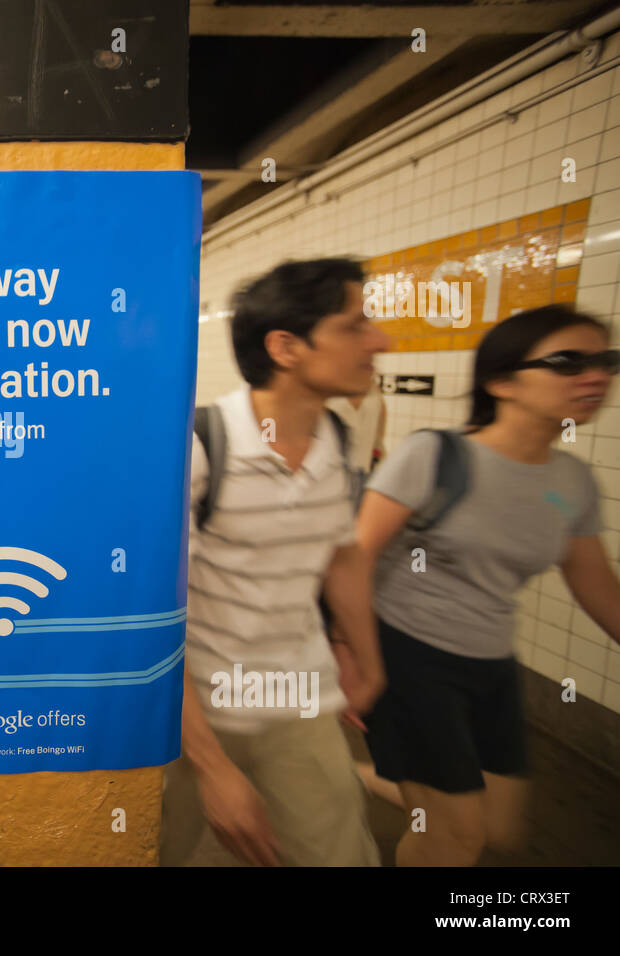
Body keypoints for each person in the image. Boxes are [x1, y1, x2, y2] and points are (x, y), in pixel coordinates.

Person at [353, 304, 620, 866]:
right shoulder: (435, 457)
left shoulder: (572, 481)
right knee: (455, 839)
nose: (595, 375)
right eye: (568, 362)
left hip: (490, 665)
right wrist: (345, 653)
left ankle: (369, 772)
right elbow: (354, 558)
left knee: (499, 828)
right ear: (501, 381)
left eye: (606, 361)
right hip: (409, 656)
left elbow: (599, 590)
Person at [163, 258, 391, 866]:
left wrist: (363, 655)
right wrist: (212, 767)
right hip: (199, 715)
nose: (380, 341)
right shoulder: (199, 448)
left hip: (302, 702)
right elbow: (154, 618)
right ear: (286, 347)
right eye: (356, 325)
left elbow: (341, 556)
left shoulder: (338, 442)